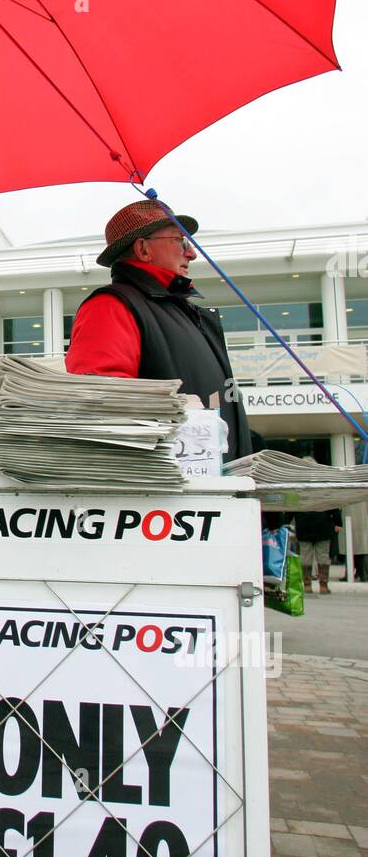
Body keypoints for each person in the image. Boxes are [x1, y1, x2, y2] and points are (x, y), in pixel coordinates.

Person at [65, 200, 252, 462]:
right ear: (143, 248)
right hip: (166, 494)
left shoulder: (182, 312)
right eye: (181, 241)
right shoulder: (111, 306)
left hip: (207, 488)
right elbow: (101, 398)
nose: (192, 254)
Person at [294, 508, 343, 595]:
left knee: (305, 557)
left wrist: (285, 521)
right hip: (323, 525)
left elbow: (293, 506)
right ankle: (323, 586)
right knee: (323, 556)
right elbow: (332, 505)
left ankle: (307, 585)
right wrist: (338, 523)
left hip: (303, 526)